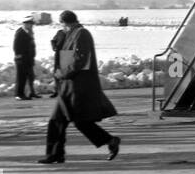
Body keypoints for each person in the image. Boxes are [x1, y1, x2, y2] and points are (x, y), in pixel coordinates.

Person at [41, 11, 119, 163]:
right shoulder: (69, 34)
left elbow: (80, 60)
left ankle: (110, 141)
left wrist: (62, 73)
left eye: (61, 24)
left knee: (78, 121)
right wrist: (58, 39)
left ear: (65, 22)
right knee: (59, 120)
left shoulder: (82, 34)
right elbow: (61, 51)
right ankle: (55, 154)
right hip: (68, 86)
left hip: (79, 86)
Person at [13, 15, 39, 99]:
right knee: (21, 77)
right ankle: (19, 94)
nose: (32, 25)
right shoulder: (20, 32)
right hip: (22, 59)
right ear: (25, 24)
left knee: (30, 76)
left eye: (32, 24)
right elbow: (16, 46)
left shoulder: (29, 32)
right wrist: (19, 56)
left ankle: (31, 92)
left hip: (28, 58)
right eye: (30, 24)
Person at [48, 25, 66, 98]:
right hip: (58, 55)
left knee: (65, 73)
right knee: (56, 73)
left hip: (67, 55)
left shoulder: (72, 33)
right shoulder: (60, 32)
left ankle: (64, 91)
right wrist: (54, 47)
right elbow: (53, 41)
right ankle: (57, 91)